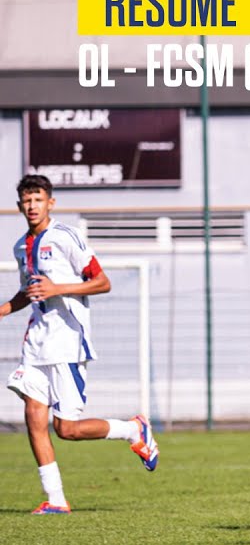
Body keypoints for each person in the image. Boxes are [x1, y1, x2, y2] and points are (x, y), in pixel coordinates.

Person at [2, 174, 158, 514]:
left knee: (67, 429)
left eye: (38, 200)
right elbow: (28, 292)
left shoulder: (65, 237)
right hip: (36, 343)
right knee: (33, 416)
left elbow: (102, 282)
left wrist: (58, 288)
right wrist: (2, 310)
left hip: (67, 342)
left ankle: (134, 429)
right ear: (19, 206)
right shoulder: (20, 247)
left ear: (51, 203)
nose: (32, 206)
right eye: (27, 201)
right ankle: (56, 500)